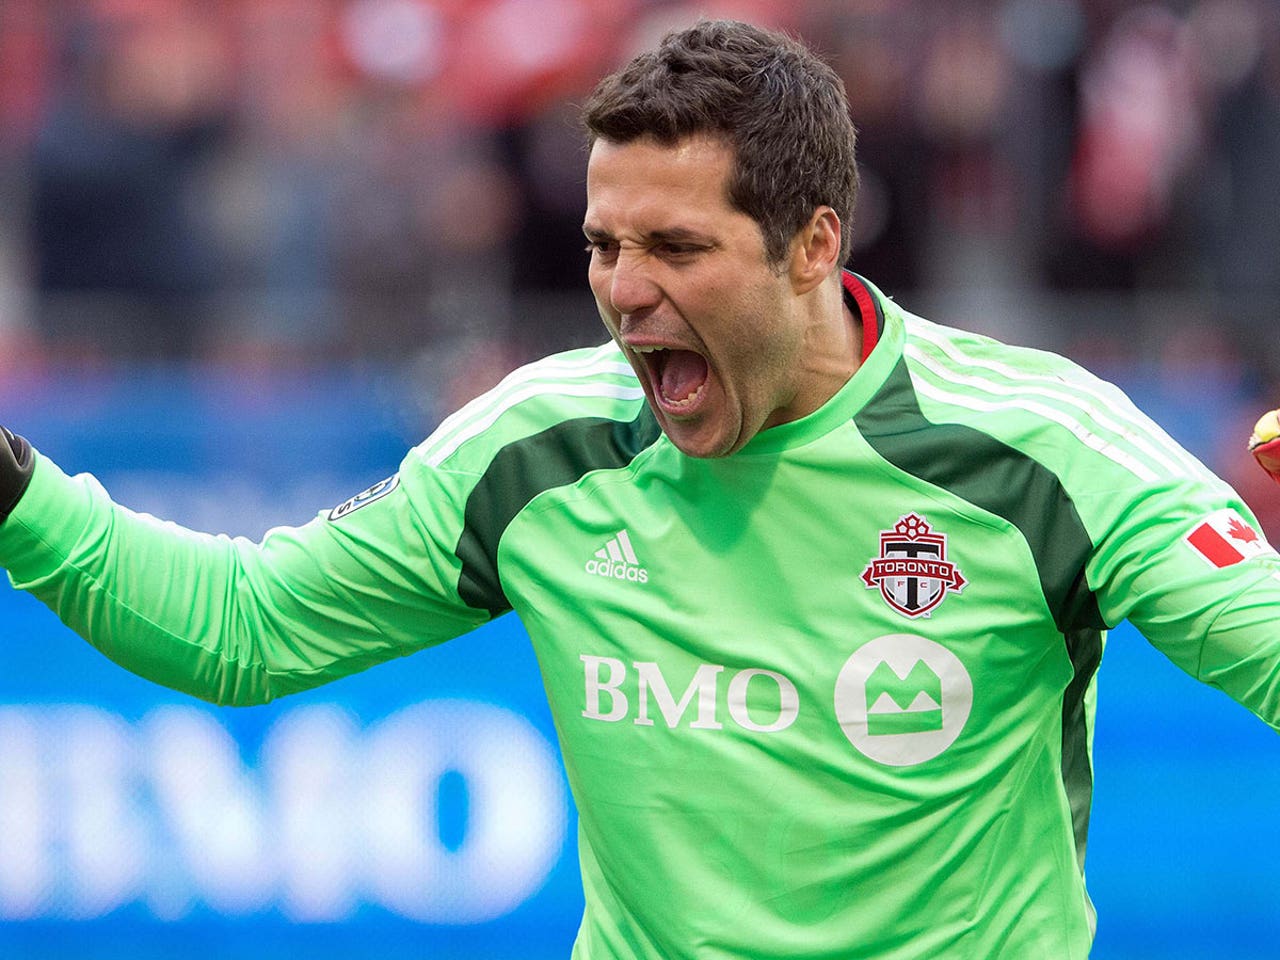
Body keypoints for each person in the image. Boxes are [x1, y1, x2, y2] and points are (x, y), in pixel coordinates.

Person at [1, 19, 1278, 960]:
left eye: (676, 248)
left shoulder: (1040, 451)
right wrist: (10, 489)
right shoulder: (540, 446)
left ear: (813, 245)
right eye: (604, 246)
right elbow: (243, 628)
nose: (622, 291)